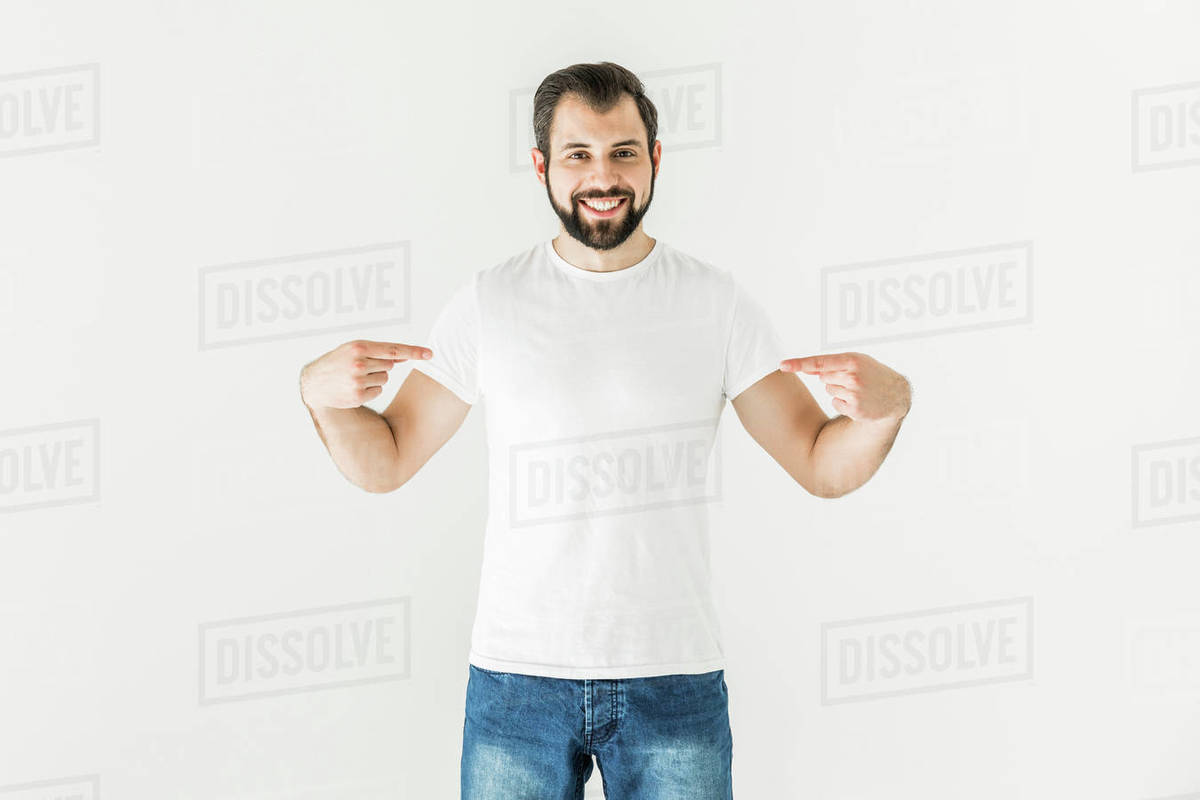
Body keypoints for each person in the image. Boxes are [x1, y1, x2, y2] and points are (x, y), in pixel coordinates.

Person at [299, 60, 912, 800]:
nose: (603, 175)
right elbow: (387, 459)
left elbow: (819, 461)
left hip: (672, 680)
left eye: (623, 152)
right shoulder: (489, 304)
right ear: (541, 168)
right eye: (578, 155)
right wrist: (319, 394)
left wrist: (889, 406)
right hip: (517, 680)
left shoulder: (716, 304)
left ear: (655, 159)